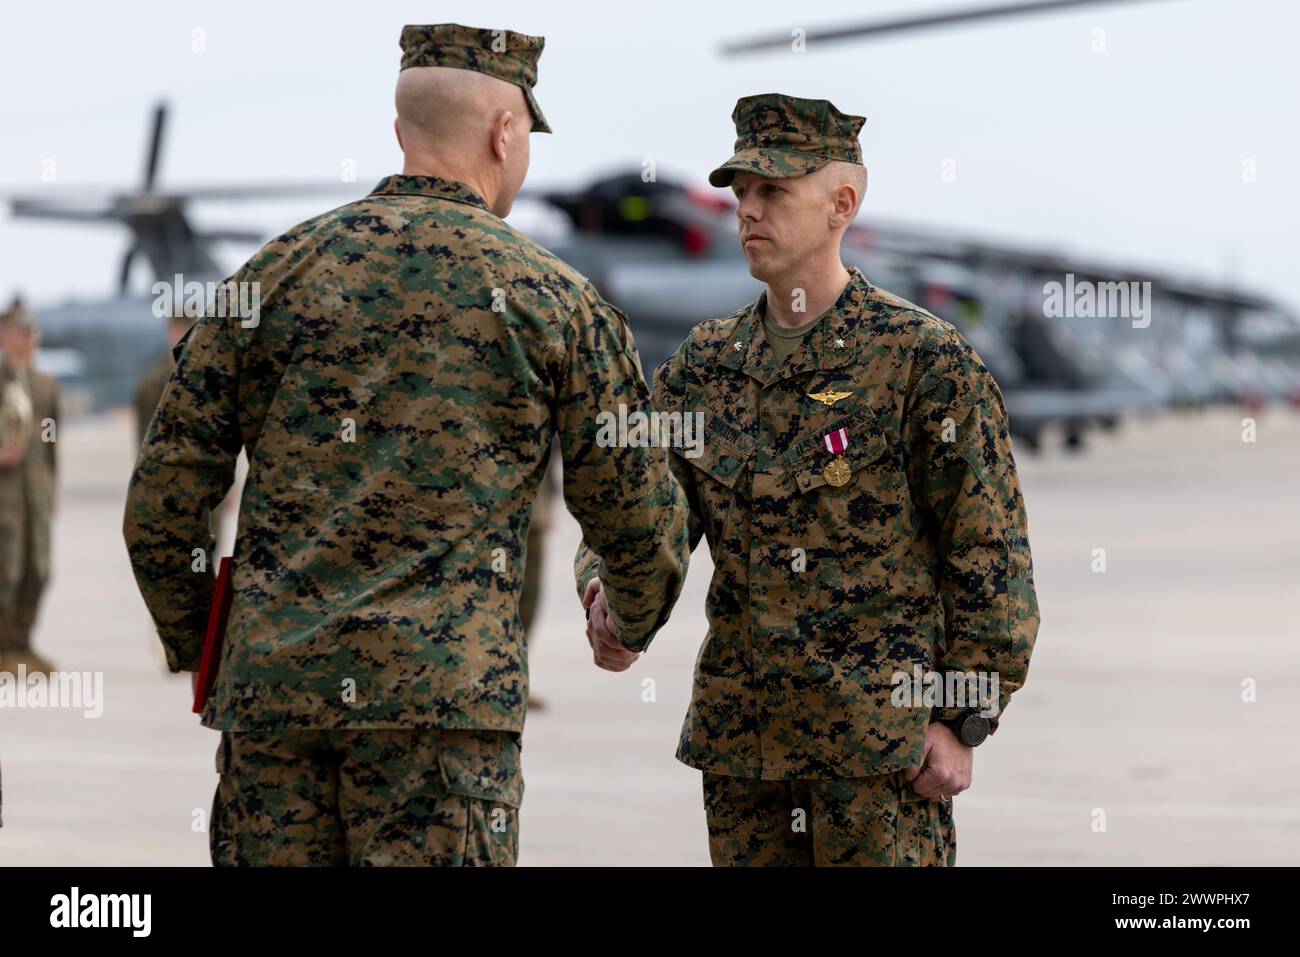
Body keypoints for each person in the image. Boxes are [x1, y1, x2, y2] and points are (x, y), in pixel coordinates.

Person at [123, 23, 689, 867]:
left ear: (402, 133)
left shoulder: (268, 278)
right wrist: (628, 620)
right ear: (505, 133)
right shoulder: (556, 300)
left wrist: (217, 645)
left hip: (274, 713)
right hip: (446, 730)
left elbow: (162, 504)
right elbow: (635, 509)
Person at [578, 93, 1040, 866]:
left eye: (774, 192)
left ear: (841, 205)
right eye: (742, 193)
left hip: (881, 760)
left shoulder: (922, 361)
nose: (748, 212)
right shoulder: (704, 364)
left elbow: (990, 561)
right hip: (743, 753)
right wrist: (611, 601)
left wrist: (963, 723)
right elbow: (642, 508)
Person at [0, 298, 59, 675]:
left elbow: (52, 438)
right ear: (4, 337)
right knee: (7, 571)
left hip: (35, 492)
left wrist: (52, 487)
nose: (28, 340)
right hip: (4, 495)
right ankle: (4, 647)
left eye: (31, 333)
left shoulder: (45, 385)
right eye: (21, 333)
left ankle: (22, 643)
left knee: (39, 569)